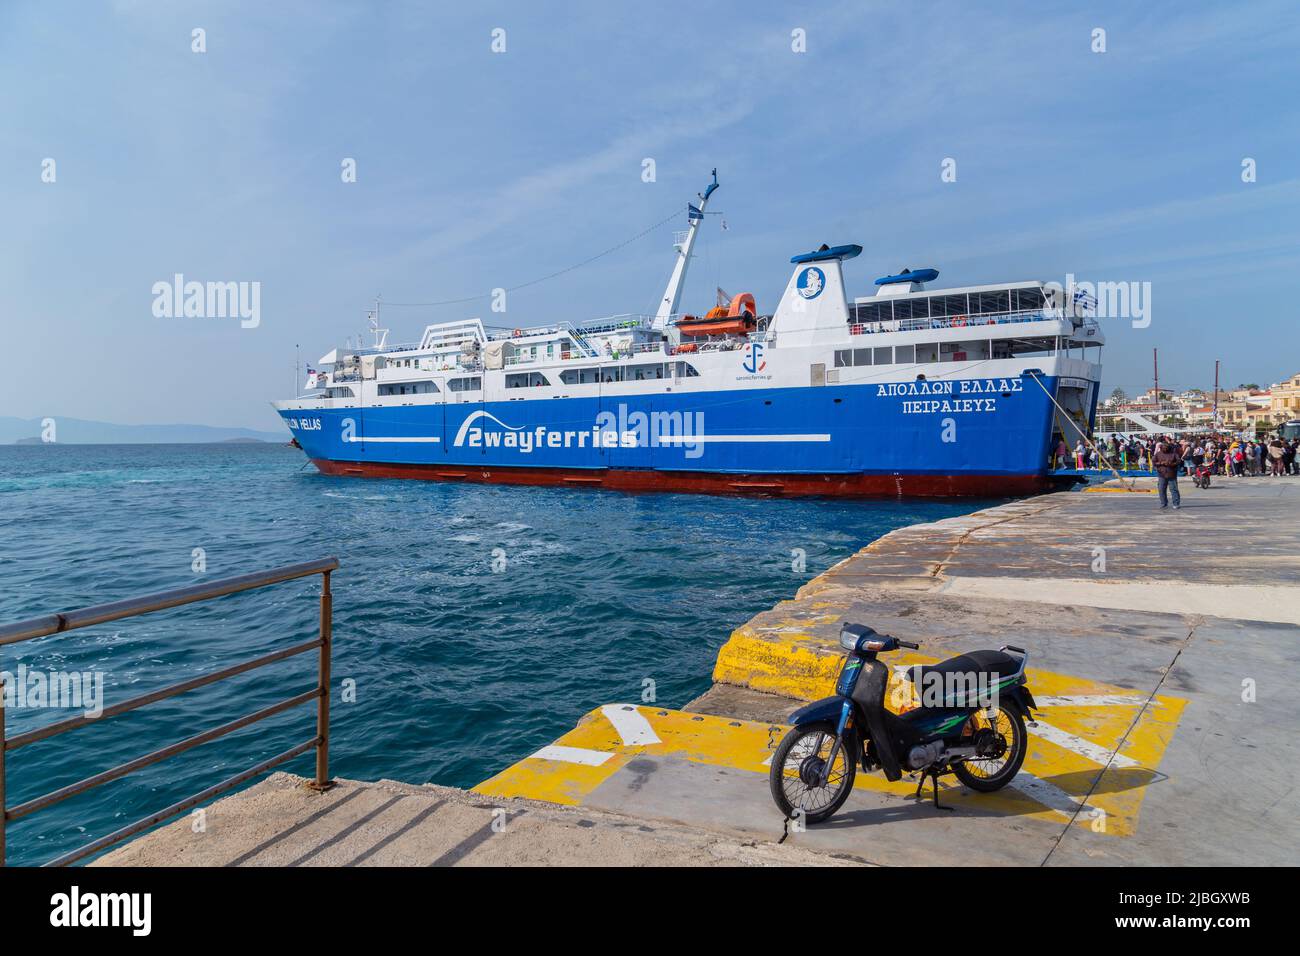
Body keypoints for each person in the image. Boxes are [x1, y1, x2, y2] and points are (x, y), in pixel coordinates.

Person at [1152, 440, 1182, 510]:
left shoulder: (1173, 454)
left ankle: (1176, 503)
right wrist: (1161, 463)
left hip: (1172, 474)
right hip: (1161, 474)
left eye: (1166, 448)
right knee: (1161, 489)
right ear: (1161, 448)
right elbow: (1154, 462)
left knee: (1174, 489)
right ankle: (1164, 503)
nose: (1165, 449)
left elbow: (1178, 461)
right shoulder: (1158, 454)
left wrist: (1171, 464)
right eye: (1163, 448)